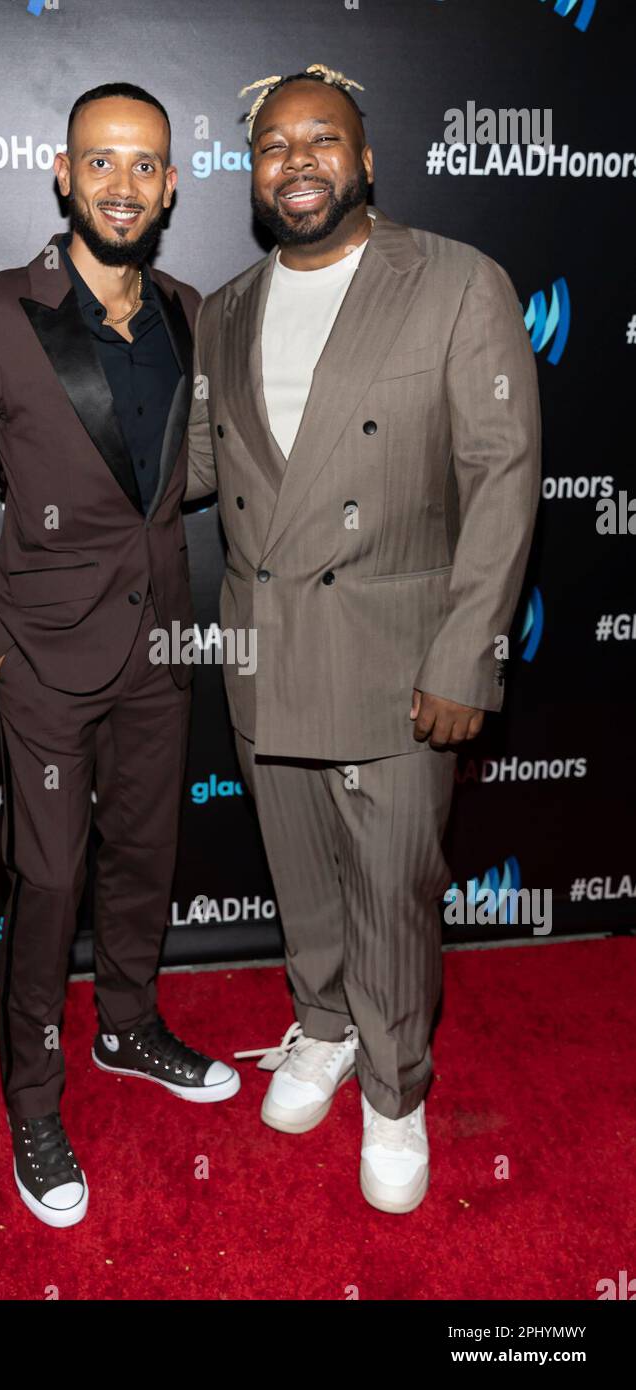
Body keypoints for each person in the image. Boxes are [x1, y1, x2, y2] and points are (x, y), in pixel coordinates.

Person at [186, 64, 540, 1214]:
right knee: (301, 874)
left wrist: (464, 652)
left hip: (395, 652)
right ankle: (324, 1026)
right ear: (252, 173)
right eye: (272, 145)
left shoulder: (452, 280)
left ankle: (394, 1088)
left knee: (390, 889)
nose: (296, 161)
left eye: (320, 138)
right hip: (266, 642)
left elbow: (500, 478)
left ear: (365, 160)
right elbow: (196, 467)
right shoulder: (224, 310)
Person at [0, 82, 239, 1231]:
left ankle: (127, 1026)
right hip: (40, 659)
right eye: (100, 161)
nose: (121, 185)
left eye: (143, 165)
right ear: (62, 173)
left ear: (172, 186)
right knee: (48, 886)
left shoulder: (189, 310)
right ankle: (34, 1101)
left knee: (145, 853)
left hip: (159, 646)